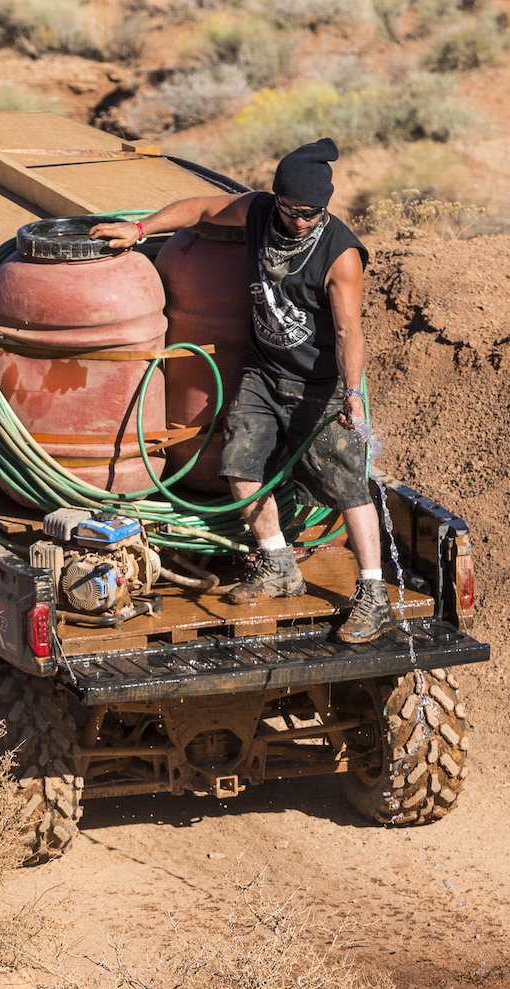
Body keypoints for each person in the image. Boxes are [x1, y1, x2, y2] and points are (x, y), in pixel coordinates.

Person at [89, 139, 394, 643]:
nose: (301, 222)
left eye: (313, 214)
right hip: (263, 371)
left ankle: (373, 592)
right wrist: (141, 228)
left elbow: (348, 332)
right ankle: (278, 563)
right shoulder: (257, 214)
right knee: (239, 465)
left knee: (347, 483)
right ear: (276, 200)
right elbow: (202, 207)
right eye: (293, 211)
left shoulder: (341, 255)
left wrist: (352, 393)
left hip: (317, 384)